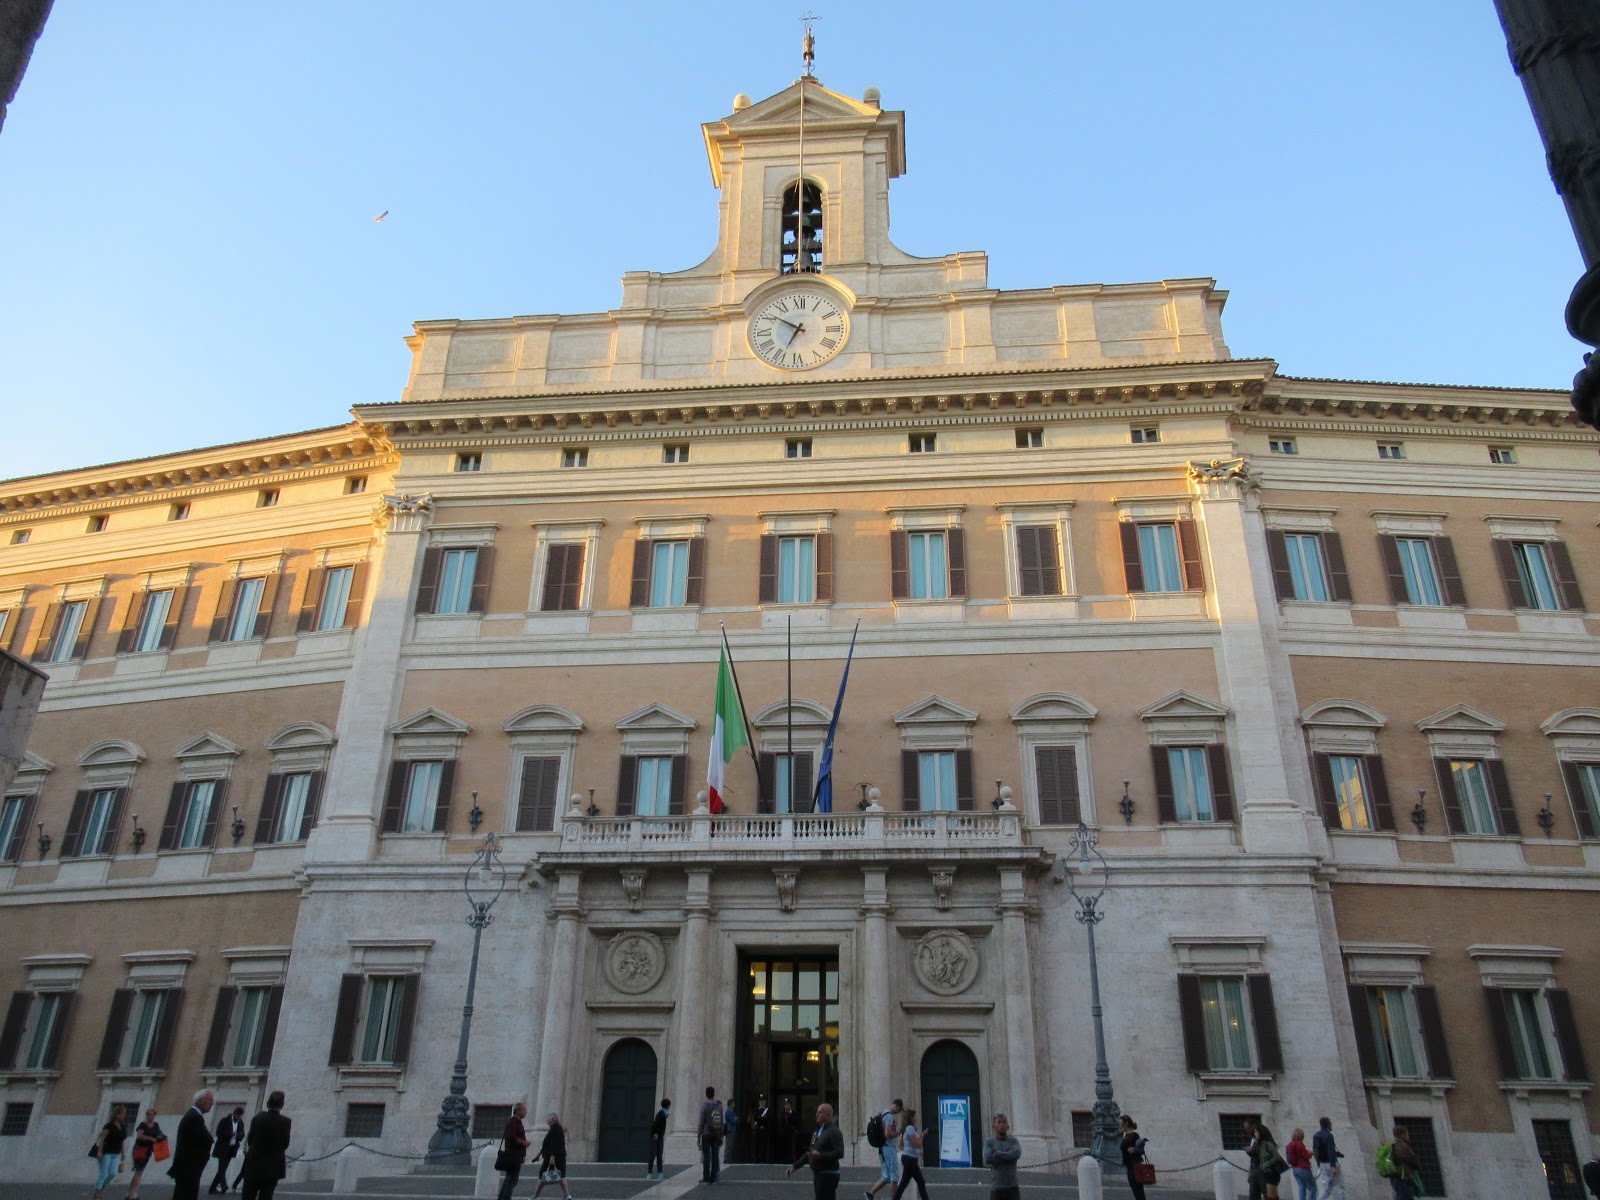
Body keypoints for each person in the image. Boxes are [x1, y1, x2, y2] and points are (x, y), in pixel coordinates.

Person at [237, 1091, 292, 1200]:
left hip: (254, 1163)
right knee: (266, 1195)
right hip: (272, 1166)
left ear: (268, 1103)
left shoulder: (257, 1119)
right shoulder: (285, 1122)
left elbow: (250, 1140)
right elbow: (285, 1144)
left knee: (248, 1195)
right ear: (282, 1105)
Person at [786, 1101, 844, 1200]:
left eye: (820, 1112)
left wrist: (821, 1155)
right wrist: (795, 1166)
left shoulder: (834, 1131)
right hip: (819, 1174)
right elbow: (809, 1153)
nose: (817, 1114)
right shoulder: (817, 1132)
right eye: (817, 1112)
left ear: (829, 1115)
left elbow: (839, 1153)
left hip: (829, 1174)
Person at [169, 1090, 216, 1200]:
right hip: (189, 1165)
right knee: (186, 1194)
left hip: (187, 1164)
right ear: (200, 1101)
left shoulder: (193, 1115)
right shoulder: (195, 1117)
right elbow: (207, 1138)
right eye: (210, 1100)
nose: (212, 1103)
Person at [866, 1099, 905, 1200]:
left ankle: (870, 1193)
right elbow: (888, 1134)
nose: (899, 1112)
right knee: (894, 1177)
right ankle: (895, 1198)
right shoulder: (889, 1116)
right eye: (900, 1109)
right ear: (896, 1106)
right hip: (889, 1149)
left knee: (886, 1176)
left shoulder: (883, 1113)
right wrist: (899, 1132)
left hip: (882, 1148)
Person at [529, 1113, 572, 1200]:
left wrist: (552, 1158)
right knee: (561, 1175)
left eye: (549, 1121)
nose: (547, 1123)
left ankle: (534, 1196)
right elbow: (547, 1144)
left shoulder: (555, 1128)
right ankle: (567, 1195)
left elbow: (554, 1144)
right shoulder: (555, 1128)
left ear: (554, 1120)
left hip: (552, 1156)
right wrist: (538, 1155)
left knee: (542, 1175)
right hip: (558, 1155)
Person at [889, 1107, 929, 1200]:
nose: (916, 1119)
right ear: (911, 1118)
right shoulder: (910, 1128)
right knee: (906, 1182)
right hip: (910, 1158)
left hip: (909, 1158)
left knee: (918, 1182)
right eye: (914, 1117)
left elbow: (900, 1144)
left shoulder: (906, 1129)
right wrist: (922, 1136)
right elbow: (917, 1144)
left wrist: (908, 1145)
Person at [127, 1107, 165, 1200]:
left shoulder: (156, 1125)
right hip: (139, 1149)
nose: (151, 1116)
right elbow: (140, 1136)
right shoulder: (142, 1125)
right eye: (149, 1114)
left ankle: (130, 1193)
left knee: (139, 1171)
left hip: (148, 1150)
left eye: (153, 1114)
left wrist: (160, 1137)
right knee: (138, 1171)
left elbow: (159, 1134)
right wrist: (151, 1139)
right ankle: (133, 1193)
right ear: (146, 1115)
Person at [91, 1104, 127, 1200]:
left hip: (116, 1153)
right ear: (117, 1115)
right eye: (123, 1113)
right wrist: (99, 1152)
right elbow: (102, 1139)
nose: (124, 1115)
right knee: (103, 1173)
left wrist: (123, 1153)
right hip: (106, 1152)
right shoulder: (109, 1126)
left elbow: (122, 1140)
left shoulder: (123, 1126)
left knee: (113, 1173)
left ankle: (100, 1189)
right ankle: (98, 1195)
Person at [984, 1113, 1021, 1200]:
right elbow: (988, 1159)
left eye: (1004, 1122)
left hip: (1013, 1188)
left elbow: (1017, 1154)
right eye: (999, 1122)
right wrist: (1009, 1155)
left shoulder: (1013, 1141)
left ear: (1008, 1126)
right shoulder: (989, 1142)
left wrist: (997, 1153)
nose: (1001, 1125)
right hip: (997, 1188)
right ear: (994, 1126)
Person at [496, 1102, 528, 1200]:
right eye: (524, 1109)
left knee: (511, 1179)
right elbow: (511, 1136)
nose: (526, 1111)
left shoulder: (517, 1122)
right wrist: (523, 1143)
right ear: (518, 1111)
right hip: (512, 1155)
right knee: (511, 1179)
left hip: (516, 1155)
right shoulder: (513, 1122)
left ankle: (503, 1198)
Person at [211, 1106, 245, 1193]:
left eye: (240, 1116)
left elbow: (242, 1134)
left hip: (232, 1148)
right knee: (222, 1167)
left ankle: (212, 1188)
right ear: (234, 1114)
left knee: (223, 1168)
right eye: (238, 1116)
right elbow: (219, 1132)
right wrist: (231, 1134)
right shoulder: (225, 1120)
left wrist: (238, 1135)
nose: (238, 1118)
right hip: (223, 1147)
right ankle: (224, 1185)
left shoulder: (240, 1122)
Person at [1311, 1117, 1345, 1200]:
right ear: (1327, 1124)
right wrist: (1333, 1165)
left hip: (1322, 1164)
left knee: (1326, 1188)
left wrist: (1319, 1164)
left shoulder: (1316, 1135)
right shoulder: (1329, 1135)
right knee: (1340, 1186)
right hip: (1331, 1163)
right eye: (1330, 1123)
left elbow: (1315, 1150)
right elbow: (1330, 1150)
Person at [697, 1085, 725, 1183]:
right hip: (716, 1134)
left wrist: (698, 1137)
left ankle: (706, 1178)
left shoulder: (704, 1106)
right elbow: (721, 1122)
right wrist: (721, 1135)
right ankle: (713, 1178)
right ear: (714, 1094)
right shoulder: (719, 1105)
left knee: (706, 1157)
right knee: (715, 1156)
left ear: (706, 1094)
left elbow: (701, 1123)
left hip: (706, 1134)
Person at [1388, 1126, 1422, 1200]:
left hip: (1395, 1178)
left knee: (1405, 1196)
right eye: (1407, 1134)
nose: (1408, 1136)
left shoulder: (1392, 1146)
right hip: (1404, 1177)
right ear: (1402, 1135)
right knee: (1403, 1196)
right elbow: (1413, 1160)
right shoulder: (1402, 1146)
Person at [1254, 1122, 1285, 1200]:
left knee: (1271, 1197)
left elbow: (1277, 1157)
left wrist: (1266, 1164)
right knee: (1271, 1196)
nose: (1255, 1134)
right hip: (1266, 1173)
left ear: (1261, 1133)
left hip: (1272, 1173)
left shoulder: (1268, 1144)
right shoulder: (1261, 1145)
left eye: (1256, 1132)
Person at [1120, 1115, 1148, 1200]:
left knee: (1138, 1190)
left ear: (1126, 1123)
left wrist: (1134, 1150)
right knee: (1135, 1190)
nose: (1120, 1125)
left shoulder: (1134, 1135)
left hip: (1135, 1166)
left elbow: (1141, 1150)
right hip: (1129, 1166)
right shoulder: (1125, 1135)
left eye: (1121, 1123)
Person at [1286, 1128, 1314, 1200]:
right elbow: (1306, 1156)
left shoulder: (1289, 1145)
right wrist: (1311, 1153)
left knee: (1301, 1187)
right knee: (1312, 1187)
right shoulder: (1300, 1144)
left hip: (1294, 1169)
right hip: (1303, 1168)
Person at [647, 1098, 670, 1181]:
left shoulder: (663, 1114)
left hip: (659, 1137)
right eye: (669, 1106)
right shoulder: (661, 1114)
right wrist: (656, 1133)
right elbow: (656, 1124)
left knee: (659, 1155)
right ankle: (650, 1172)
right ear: (667, 1106)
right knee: (653, 1155)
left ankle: (659, 1172)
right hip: (656, 1137)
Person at [1244, 1120, 1264, 1200]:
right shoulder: (1253, 1140)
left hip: (1261, 1169)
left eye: (1248, 1128)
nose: (1247, 1130)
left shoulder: (1264, 1143)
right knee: (1253, 1194)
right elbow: (1253, 1157)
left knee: (1267, 1194)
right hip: (1254, 1169)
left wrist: (1252, 1151)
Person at [752, 1095, 773, 1164]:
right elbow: (755, 1119)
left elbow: (768, 1119)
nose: (761, 1102)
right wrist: (762, 1118)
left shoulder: (768, 1110)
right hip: (757, 1130)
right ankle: (755, 1159)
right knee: (755, 1145)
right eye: (760, 1101)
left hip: (765, 1130)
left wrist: (760, 1118)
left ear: (765, 1102)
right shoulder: (755, 1110)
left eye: (763, 1101)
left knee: (763, 1146)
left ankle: (763, 1159)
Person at [724, 1100, 740, 1165]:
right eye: (733, 1103)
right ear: (730, 1104)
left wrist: (736, 1119)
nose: (734, 1105)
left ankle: (729, 1160)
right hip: (730, 1130)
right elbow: (734, 1120)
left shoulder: (732, 1112)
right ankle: (726, 1161)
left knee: (731, 1146)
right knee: (729, 1146)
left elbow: (737, 1119)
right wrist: (735, 1119)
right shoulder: (728, 1112)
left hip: (733, 1130)